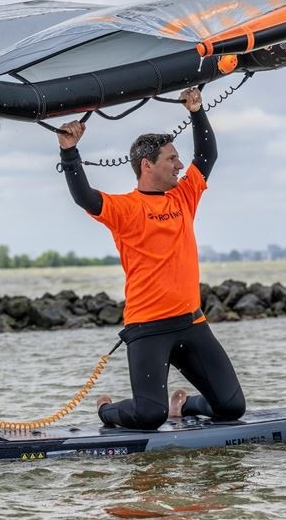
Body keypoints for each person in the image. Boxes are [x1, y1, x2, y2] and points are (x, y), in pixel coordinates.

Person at [57, 87, 246, 430]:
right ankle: (107, 410)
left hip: (192, 323)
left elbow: (207, 156)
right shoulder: (125, 208)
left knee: (231, 407)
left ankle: (185, 405)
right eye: (171, 159)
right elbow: (85, 197)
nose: (179, 164)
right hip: (148, 328)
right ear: (147, 165)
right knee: (148, 416)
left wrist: (196, 111)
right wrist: (69, 151)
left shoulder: (183, 196)